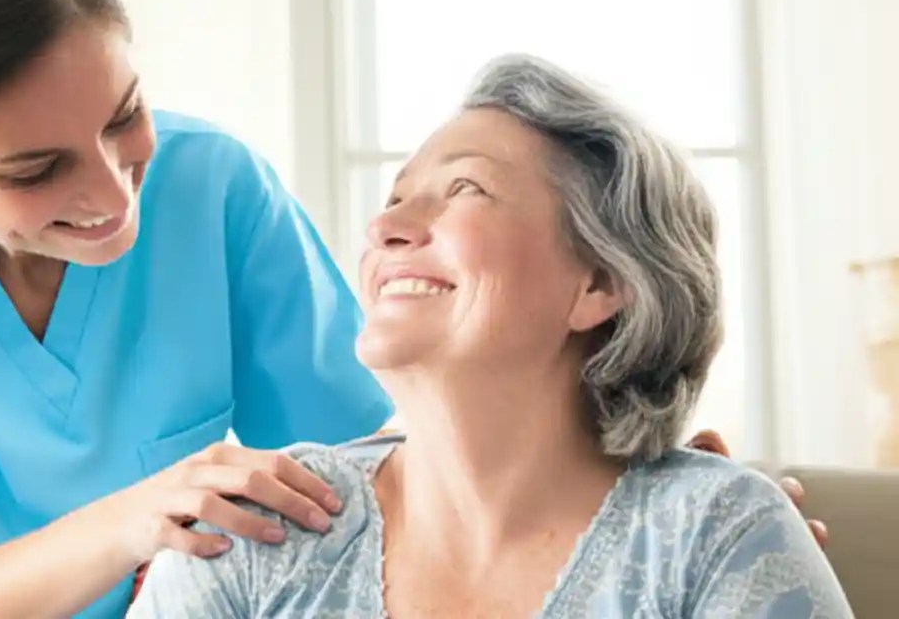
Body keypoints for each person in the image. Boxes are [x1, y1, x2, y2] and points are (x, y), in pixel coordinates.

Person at [0, 0, 822, 617]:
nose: (113, 192)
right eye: (35, 170)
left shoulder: (215, 188)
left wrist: (641, 477)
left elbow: (399, 446)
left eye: (124, 119)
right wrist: (139, 517)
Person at [128, 56, 853, 617]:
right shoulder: (251, 530)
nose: (385, 229)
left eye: (465, 189)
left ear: (599, 282)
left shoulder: (716, 533)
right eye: (394, 198)